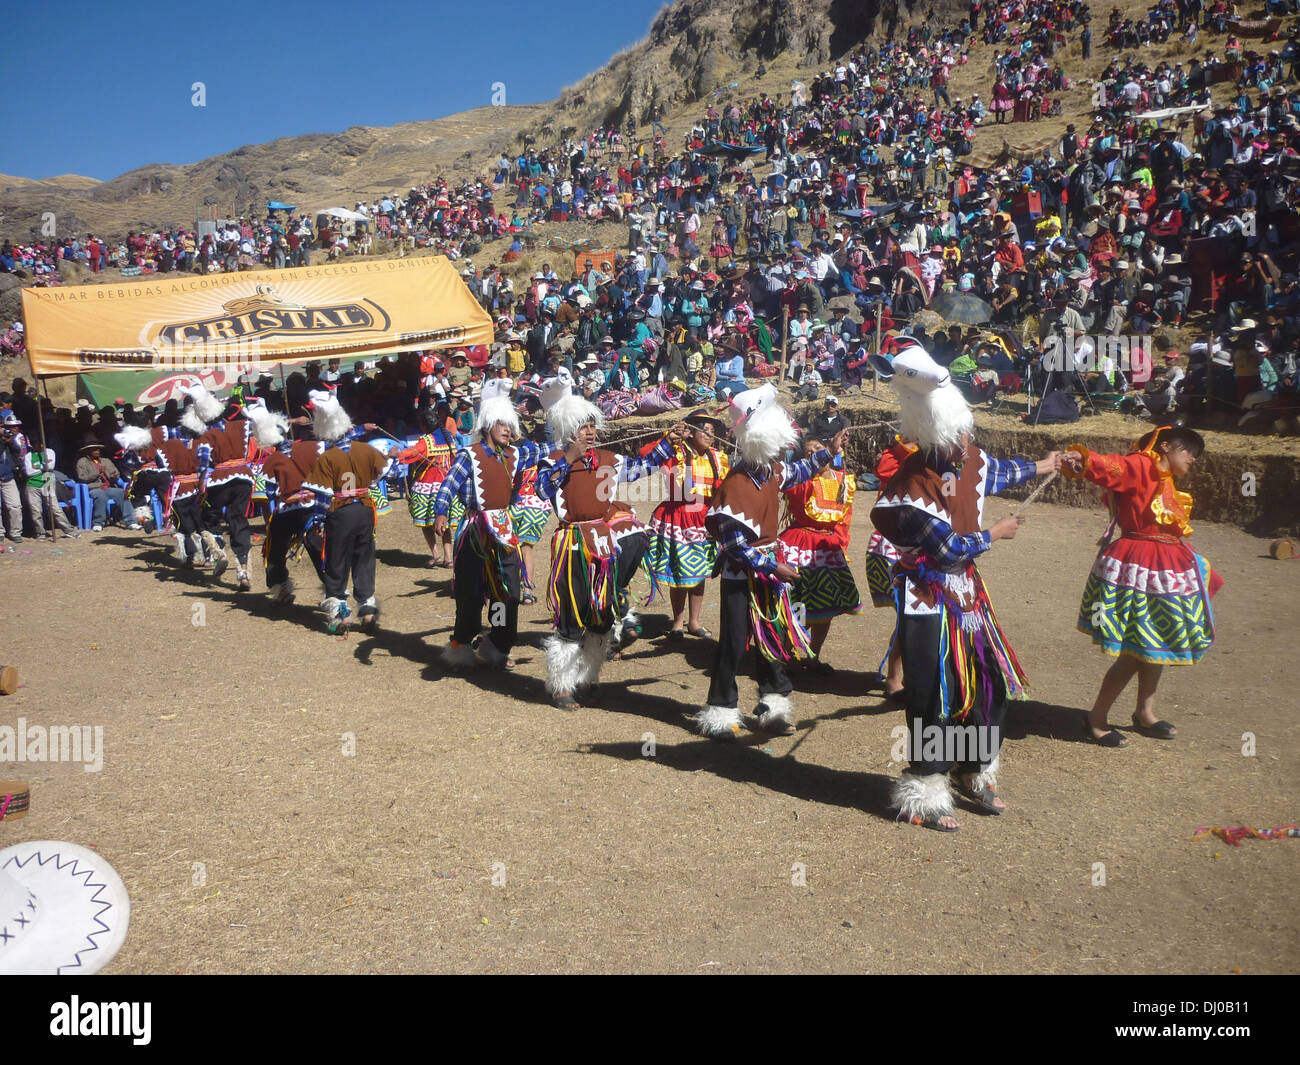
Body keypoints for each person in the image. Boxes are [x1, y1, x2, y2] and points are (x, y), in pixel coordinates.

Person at [869, 345, 1060, 831]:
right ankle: (928, 787)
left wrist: (1045, 465)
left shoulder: (967, 458)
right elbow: (947, 550)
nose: (967, 441)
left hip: (968, 595)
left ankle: (972, 768)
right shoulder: (913, 486)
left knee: (988, 682)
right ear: (937, 433)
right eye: (960, 435)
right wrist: (994, 534)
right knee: (933, 690)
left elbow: (995, 472)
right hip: (926, 596)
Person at [694, 384, 848, 740]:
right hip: (742, 575)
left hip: (769, 573)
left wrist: (831, 453)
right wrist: (771, 567)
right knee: (734, 642)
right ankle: (721, 709)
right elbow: (734, 545)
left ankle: (773, 704)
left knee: (774, 637)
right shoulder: (737, 482)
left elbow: (800, 471)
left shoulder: (772, 470)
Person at [1063, 427, 1222, 747]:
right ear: (1165, 446)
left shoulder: (1164, 477)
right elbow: (1111, 467)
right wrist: (1083, 459)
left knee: (1156, 640)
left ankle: (1145, 712)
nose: (1193, 459)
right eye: (1188, 451)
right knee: (1135, 651)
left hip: (1164, 566)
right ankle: (1096, 718)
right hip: (1140, 567)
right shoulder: (1142, 465)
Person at [535, 379, 687, 709]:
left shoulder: (606, 459)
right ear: (567, 431)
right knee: (573, 609)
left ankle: (588, 676)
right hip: (573, 543)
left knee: (602, 610)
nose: (589, 433)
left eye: (592, 426)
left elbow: (639, 468)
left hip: (603, 542)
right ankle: (561, 685)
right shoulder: (553, 461)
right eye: (582, 428)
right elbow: (541, 488)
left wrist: (667, 441)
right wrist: (569, 457)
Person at [433, 378, 550, 669]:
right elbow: (449, 484)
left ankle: (496, 642)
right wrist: (441, 512)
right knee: (470, 594)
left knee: (506, 593)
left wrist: (569, 443)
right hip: (475, 530)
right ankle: (461, 642)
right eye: (502, 424)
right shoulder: (468, 455)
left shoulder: (516, 454)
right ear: (488, 425)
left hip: (505, 531)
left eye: (511, 425)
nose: (508, 430)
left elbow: (549, 451)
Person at [302, 390, 392, 633]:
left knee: (337, 560)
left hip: (340, 513)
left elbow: (321, 496)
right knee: (364, 556)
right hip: (364, 510)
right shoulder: (367, 450)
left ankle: (341, 613)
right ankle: (368, 608)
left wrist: (318, 521)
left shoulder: (327, 457)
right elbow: (384, 474)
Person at [646, 410, 730, 639]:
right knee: (680, 571)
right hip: (678, 516)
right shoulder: (676, 452)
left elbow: (725, 489)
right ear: (691, 432)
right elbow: (647, 453)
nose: (710, 435)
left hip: (704, 520)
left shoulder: (718, 457)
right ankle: (677, 623)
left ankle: (694, 622)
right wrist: (669, 436)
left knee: (699, 572)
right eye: (705, 430)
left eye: (713, 432)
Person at [778, 437, 861, 667]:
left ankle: (813, 655)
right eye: (807, 451)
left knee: (827, 606)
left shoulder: (844, 480)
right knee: (800, 604)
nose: (812, 453)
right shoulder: (802, 483)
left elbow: (844, 520)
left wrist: (841, 548)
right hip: (800, 546)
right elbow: (791, 494)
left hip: (828, 548)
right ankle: (789, 653)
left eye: (817, 449)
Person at [247, 407, 326, 605]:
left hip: (289, 512)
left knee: (273, 546)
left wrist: (271, 521)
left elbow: (265, 497)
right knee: (318, 548)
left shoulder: (270, 461)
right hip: (317, 509)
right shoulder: (313, 447)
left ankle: (280, 587)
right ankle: (334, 592)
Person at [863, 435, 917, 698]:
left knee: (916, 616)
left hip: (922, 545)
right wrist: (908, 443)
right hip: (892, 547)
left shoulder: (939, 463)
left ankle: (908, 676)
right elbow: (885, 470)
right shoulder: (894, 458)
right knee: (908, 615)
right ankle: (894, 678)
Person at [395, 405, 458, 567]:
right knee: (444, 523)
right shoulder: (448, 437)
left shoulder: (427, 441)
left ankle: (436, 555)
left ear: (424, 425)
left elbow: (412, 453)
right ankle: (448, 557)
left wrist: (397, 454)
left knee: (427, 523)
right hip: (446, 486)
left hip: (427, 487)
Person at [74, 438, 138, 533]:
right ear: (88, 451)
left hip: (108, 487)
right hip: (93, 488)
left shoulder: (106, 461)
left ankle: (131, 521)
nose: (97, 451)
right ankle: (98, 523)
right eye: (94, 449)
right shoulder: (82, 462)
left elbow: (116, 473)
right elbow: (82, 478)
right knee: (101, 496)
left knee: (122, 493)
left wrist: (113, 476)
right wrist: (97, 472)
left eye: (98, 449)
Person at [0, 414, 28, 546]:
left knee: (15, 506)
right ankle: (0, 533)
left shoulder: (8, 439)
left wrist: (9, 440)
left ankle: (16, 532)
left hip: (8, 476)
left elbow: (18, 451)